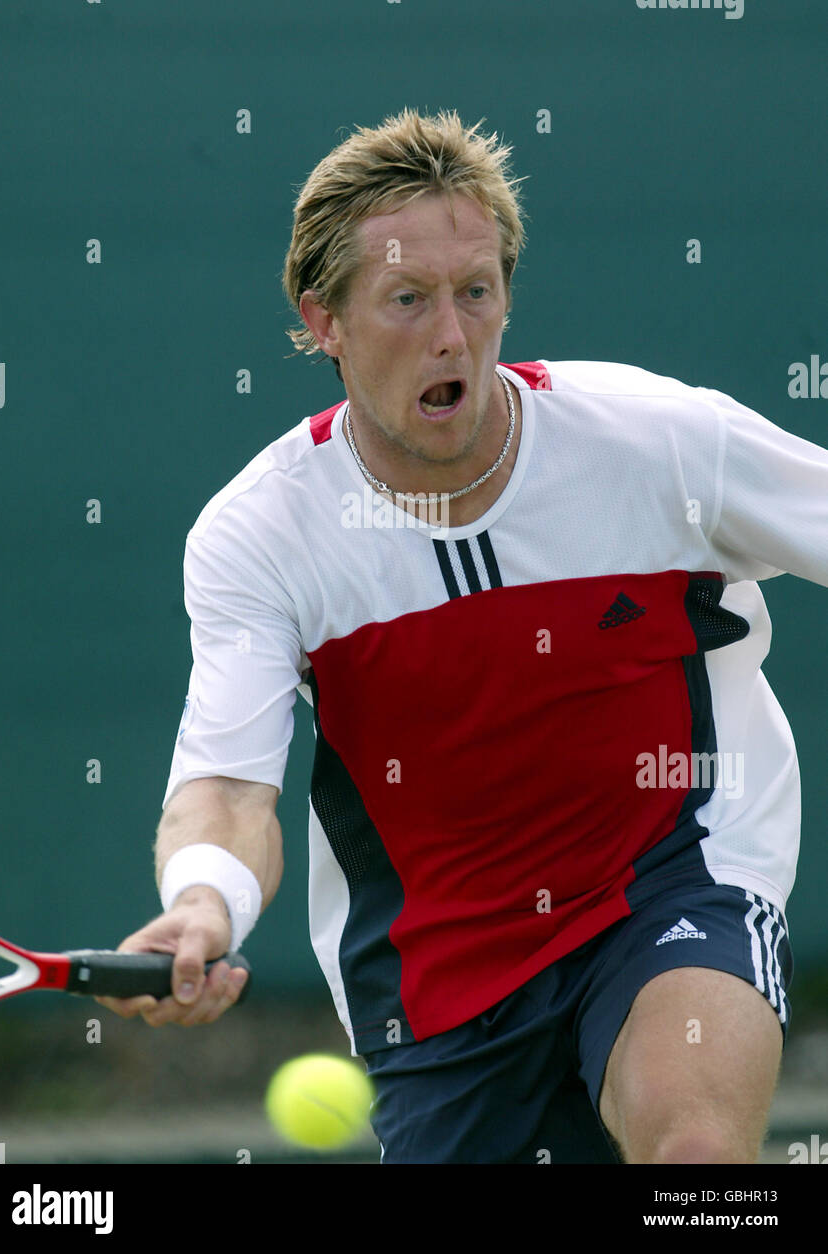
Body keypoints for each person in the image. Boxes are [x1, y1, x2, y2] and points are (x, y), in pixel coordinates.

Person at [99, 108, 828, 1164]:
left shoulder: (658, 440)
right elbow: (227, 788)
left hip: (670, 878)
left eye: (474, 291)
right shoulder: (261, 532)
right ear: (325, 320)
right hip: (440, 975)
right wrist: (201, 907)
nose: (451, 334)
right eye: (406, 299)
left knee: (695, 1147)